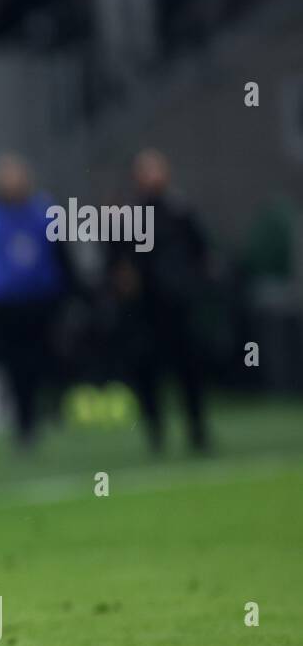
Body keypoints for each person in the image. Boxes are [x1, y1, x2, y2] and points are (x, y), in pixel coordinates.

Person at [107, 148, 210, 453]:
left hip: (177, 304)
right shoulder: (128, 215)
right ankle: (155, 430)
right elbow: (114, 260)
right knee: (146, 369)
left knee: (188, 368)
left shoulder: (180, 211)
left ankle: (197, 430)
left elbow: (201, 250)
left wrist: (193, 281)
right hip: (143, 309)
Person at [0, 154, 67, 448]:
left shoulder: (44, 212)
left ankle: (47, 411)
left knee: (43, 361)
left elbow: (61, 255)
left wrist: (66, 295)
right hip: (6, 306)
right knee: (14, 366)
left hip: (40, 302)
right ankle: (23, 424)